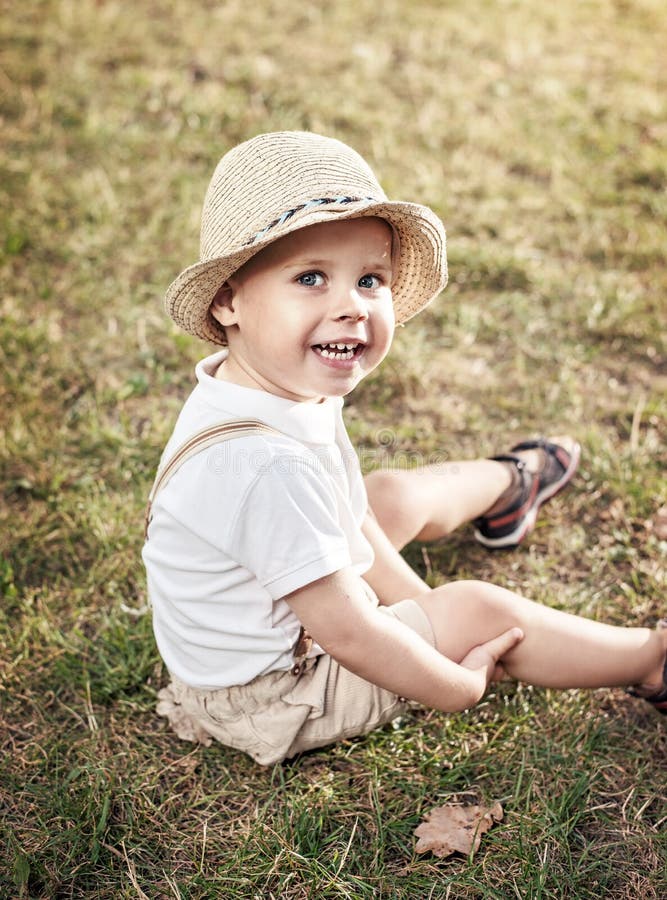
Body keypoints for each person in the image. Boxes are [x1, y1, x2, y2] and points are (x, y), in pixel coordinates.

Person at [142, 131, 666, 766]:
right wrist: (455, 682)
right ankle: (652, 660)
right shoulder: (266, 469)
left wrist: (419, 609)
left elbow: (348, 516)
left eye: (370, 279)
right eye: (310, 278)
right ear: (228, 301)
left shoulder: (263, 387)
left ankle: (510, 485)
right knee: (474, 608)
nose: (351, 306)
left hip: (294, 604)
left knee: (387, 495)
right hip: (274, 693)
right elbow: (349, 633)